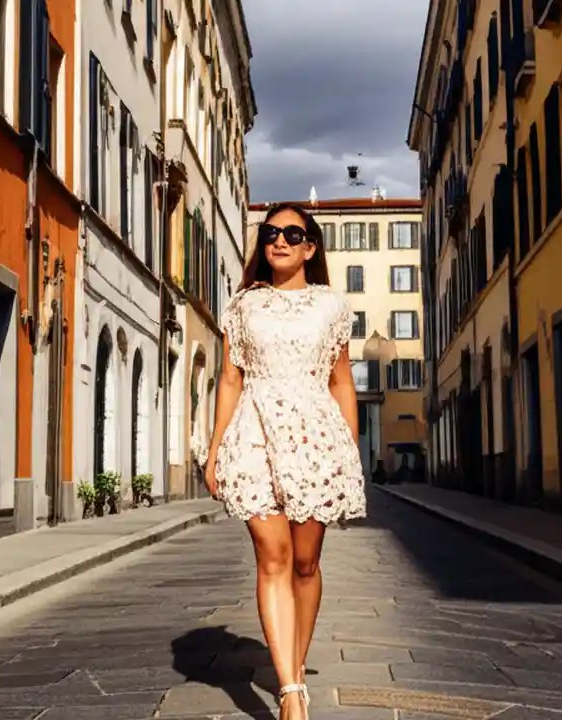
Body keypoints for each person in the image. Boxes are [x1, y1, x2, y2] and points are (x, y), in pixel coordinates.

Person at [204, 203, 367, 719]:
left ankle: (292, 668)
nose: (279, 241)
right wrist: (214, 451)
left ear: (310, 247)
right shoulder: (243, 305)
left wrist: (349, 451)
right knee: (271, 555)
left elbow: (342, 382)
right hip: (254, 435)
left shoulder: (331, 306)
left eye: (292, 234)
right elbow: (230, 380)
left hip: (316, 439)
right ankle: (291, 692)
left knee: (304, 562)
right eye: (271, 232)